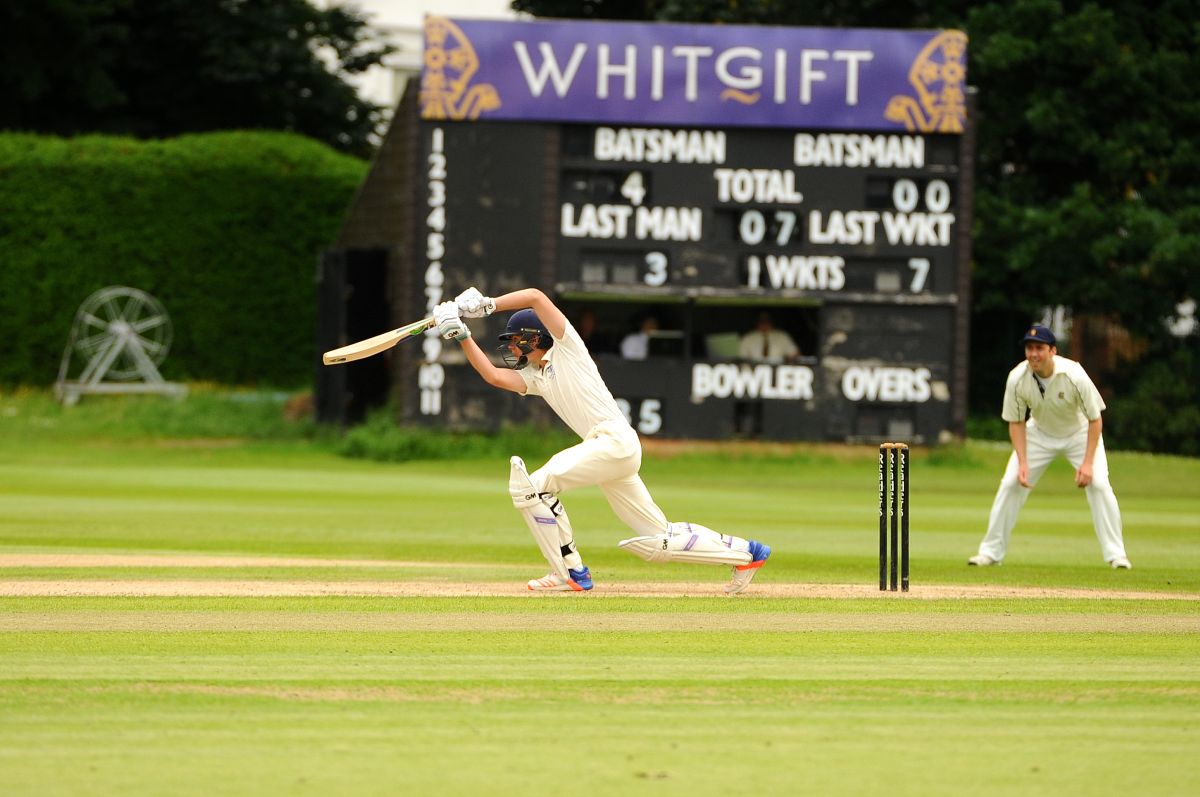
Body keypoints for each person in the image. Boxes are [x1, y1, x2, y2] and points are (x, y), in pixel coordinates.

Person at [432, 287, 772, 593]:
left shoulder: (567, 348)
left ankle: (570, 572)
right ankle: (748, 553)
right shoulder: (535, 376)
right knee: (659, 538)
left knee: (533, 488)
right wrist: (463, 335)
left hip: (612, 441)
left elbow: (535, 297)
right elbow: (493, 375)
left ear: (536, 338)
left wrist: (487, 305)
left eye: (516, 340)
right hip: (611, 450)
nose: (511, 347)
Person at [968, 324, 1131, 569]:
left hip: (1079, 433)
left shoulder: (1074, 374)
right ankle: (990, 553)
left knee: (1099, 484)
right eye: (1029, 348)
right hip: (1039, 434)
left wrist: (1087, 463)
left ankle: (1117, 555)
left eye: (1039, 348)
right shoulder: (1017, 378)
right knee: (1010, 483)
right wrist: (1023, 462)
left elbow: (1095, 419)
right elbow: (1016, 422)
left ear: (1052, 351)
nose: (1033, 354)